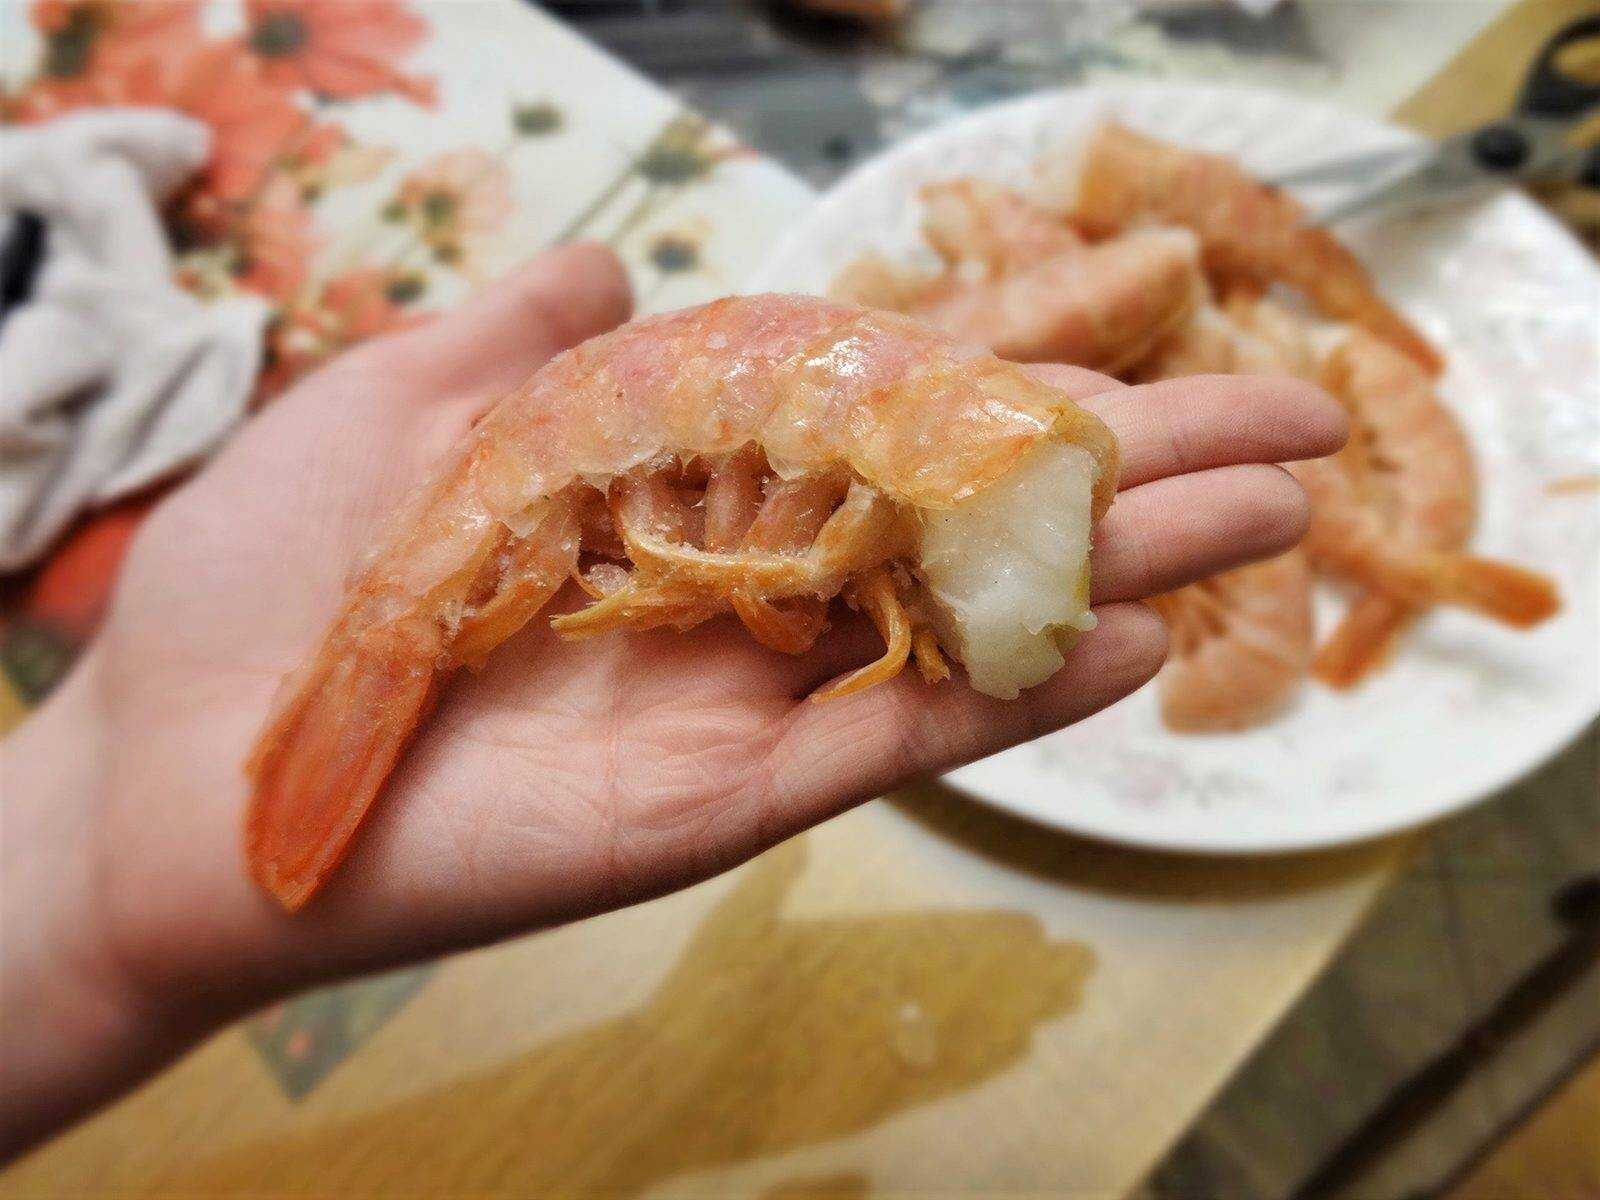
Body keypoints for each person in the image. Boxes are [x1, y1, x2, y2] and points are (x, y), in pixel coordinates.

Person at [0, 244, 1345, 1157]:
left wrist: (101, 928)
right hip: (608, 434)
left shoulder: (953, 444)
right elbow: (787, 572)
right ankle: (389, 642)